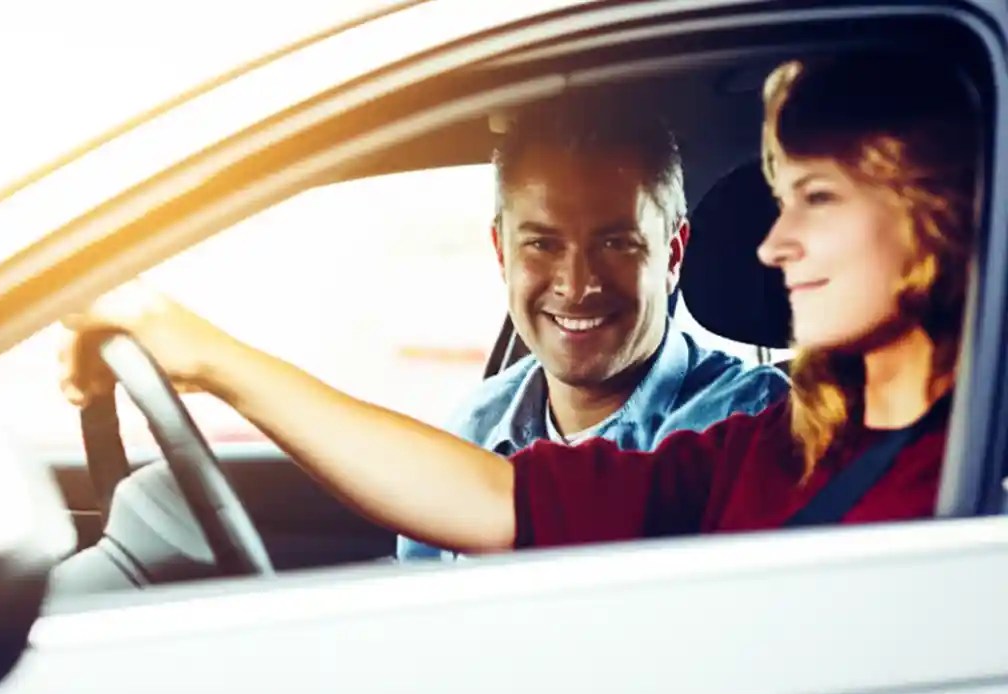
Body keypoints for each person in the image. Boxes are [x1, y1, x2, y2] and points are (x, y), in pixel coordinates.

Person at [60, 53, 976, 554]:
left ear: (934, 219)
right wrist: (208, 356)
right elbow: (505, 503)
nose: (772, 249)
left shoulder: (967, 469)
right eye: (543, 243)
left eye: (815, 201)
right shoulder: (769, 454)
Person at [397, 96, 788, 560]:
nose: (577, 285)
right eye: (542, 243)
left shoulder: (754, 422)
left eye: (617, 244)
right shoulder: (476, 426)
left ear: (674, 253)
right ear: (502, 252)